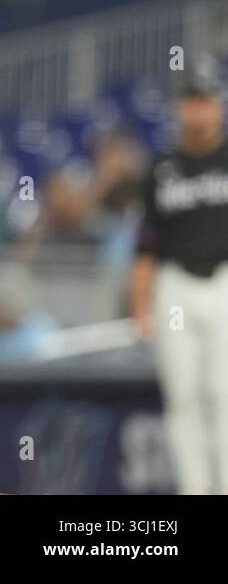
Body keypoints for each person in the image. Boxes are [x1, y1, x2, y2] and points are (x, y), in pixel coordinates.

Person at [130, 67, 228, 494]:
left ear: (219, 106)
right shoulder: (162, 167)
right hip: (174, 287)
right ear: (180, 108)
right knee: (183, 398)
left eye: (206, 101)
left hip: (224, 281)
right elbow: (146, 244)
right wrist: (140, 304)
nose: (198, 111)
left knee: (224, 395)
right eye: (191, 102)